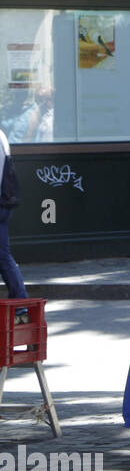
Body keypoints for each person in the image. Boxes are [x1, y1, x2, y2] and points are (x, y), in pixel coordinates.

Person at [0, 126, 29, 323]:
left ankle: (20, 303)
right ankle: (20, 305)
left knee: (3, 256)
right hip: (4, 202)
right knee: (3, 255)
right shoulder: (1, 135)